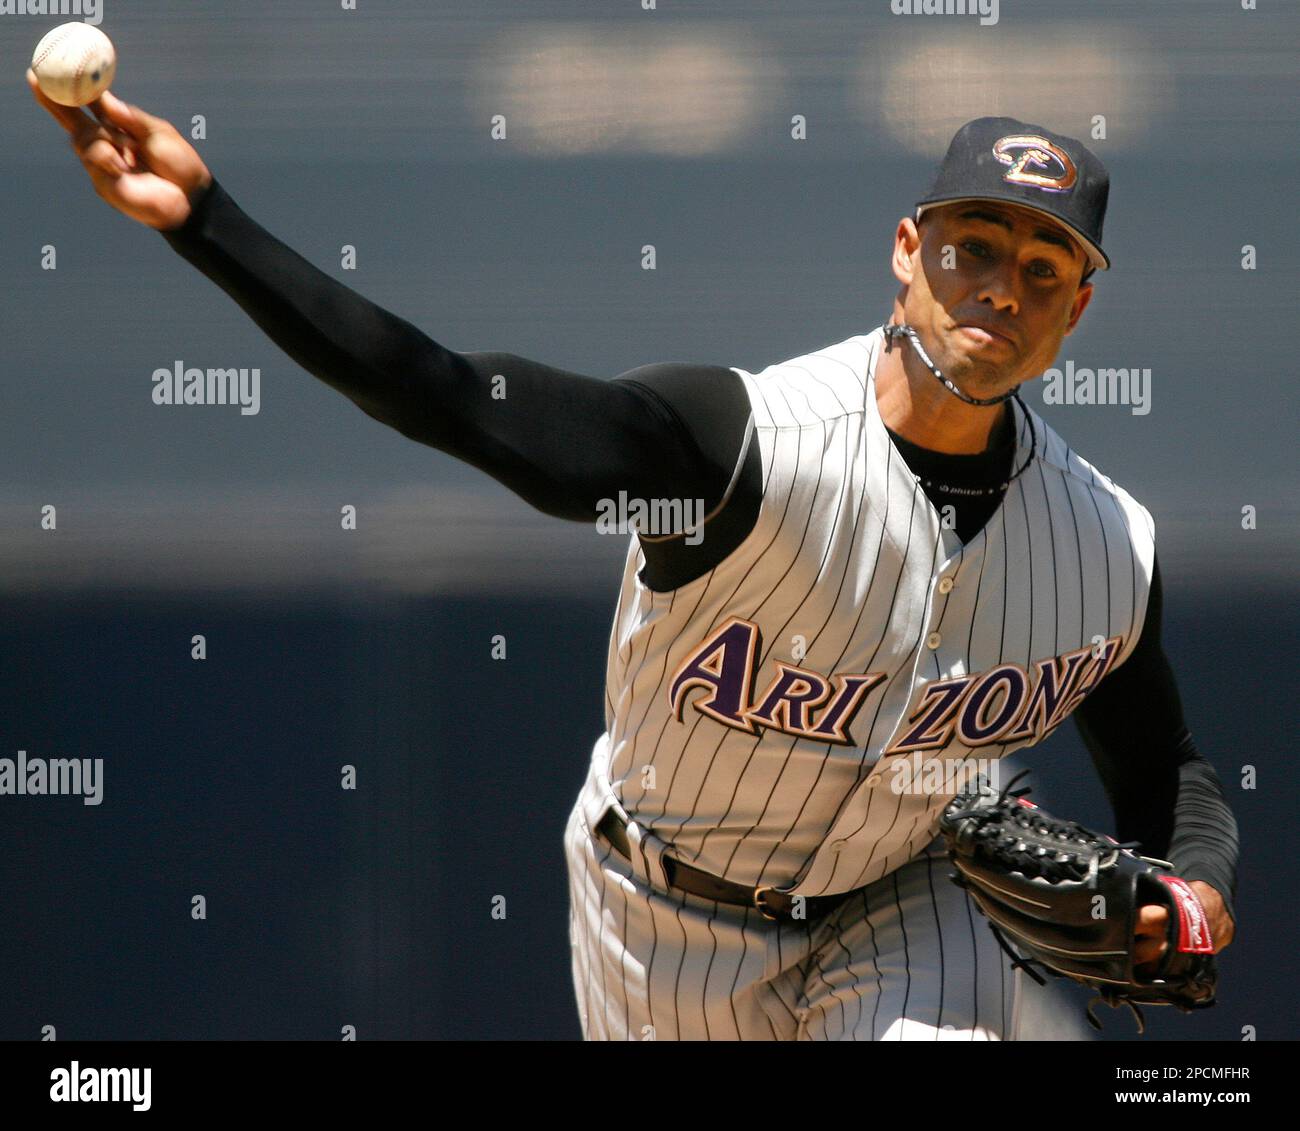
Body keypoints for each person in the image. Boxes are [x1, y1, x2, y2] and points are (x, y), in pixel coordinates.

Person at [29, 74, 1237, 1040]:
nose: (1000, 290)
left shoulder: (1103, 543)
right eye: (977, 245)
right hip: (656, 914)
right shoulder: (733, 446)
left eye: (1042, 269)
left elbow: (1166, 771)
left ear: (1075, 310)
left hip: (903, 905)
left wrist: (1194, 886)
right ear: (909, 250)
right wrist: (207, 220)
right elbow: (441, 392)